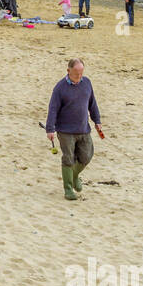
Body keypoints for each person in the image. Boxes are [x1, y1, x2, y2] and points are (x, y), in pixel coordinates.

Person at [44, 58, 103, 200]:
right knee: (68, 159)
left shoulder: (87, 83)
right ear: (68, 71)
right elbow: (53, 109)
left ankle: (75, 175)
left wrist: (97, 120)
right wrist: (50, 129)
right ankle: (68, 189)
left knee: (86, 156)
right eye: (76, 73)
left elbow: (92, 104)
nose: (79, 76)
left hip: (83, 128)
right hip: (65, 131)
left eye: (81, 73)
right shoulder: (60, 88)